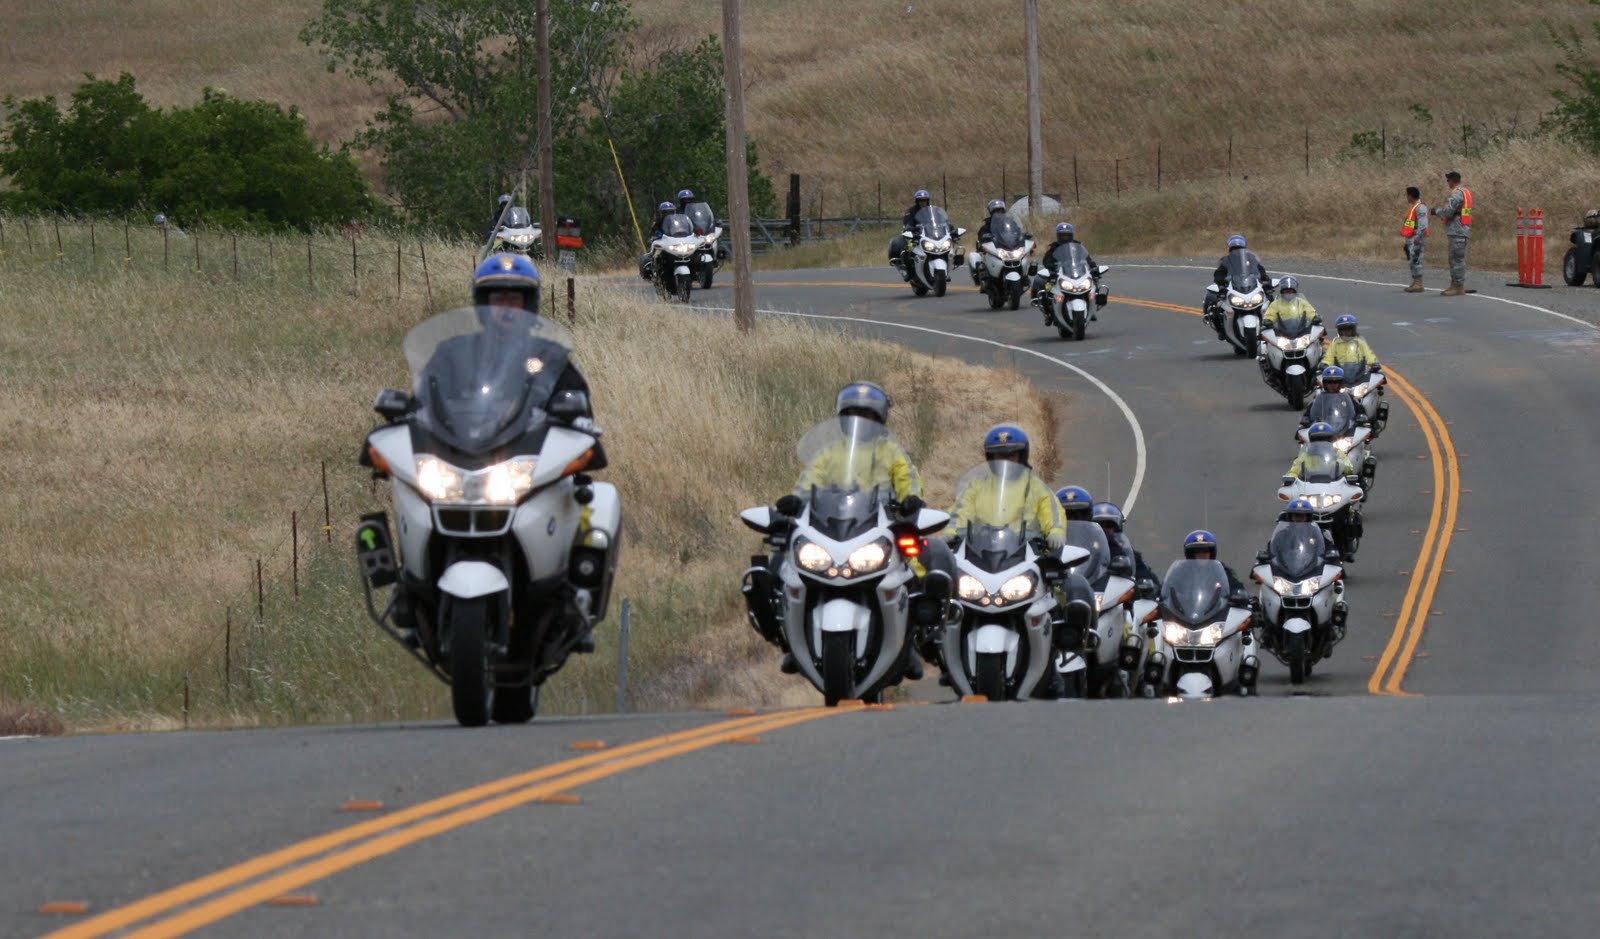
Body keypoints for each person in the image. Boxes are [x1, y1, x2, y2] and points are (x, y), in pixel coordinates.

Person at [755, 382, 940, 679]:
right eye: (853, 414)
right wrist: (793, 502)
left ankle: (908, 646)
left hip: (879, 527)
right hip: (832, 527)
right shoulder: (829, 453)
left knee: (916, 571)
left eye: (866, 416)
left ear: (879, 421)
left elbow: (908, 482)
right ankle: (790, 639)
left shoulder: (892, 452)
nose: (860, 422)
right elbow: (807, 483)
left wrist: (910, 501)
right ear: (842, 418)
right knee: (782, 564)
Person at [1203, 234, 1274, 337]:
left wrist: (1265, 279)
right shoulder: (1226, 261)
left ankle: (1274, 326)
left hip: (1250, 285)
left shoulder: (1251, 258)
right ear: (1230, 249)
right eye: (1234, 248)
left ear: (1244, 248)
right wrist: (1221, 284)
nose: (1236, 250)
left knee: (1271, 300)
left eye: (1239, 248)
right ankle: (1221, 330)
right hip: (1234, 287)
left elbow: (1260, 270)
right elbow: (1219, 274)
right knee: (1215, 302)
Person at [1031, 223, 1104, 321]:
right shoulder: (1054, 248)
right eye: (1062, 235)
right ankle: (1047, 312)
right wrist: (1051, 267)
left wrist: (1094, 268)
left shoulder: (1078, 246)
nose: (1065, 237)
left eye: (1067, 235)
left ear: (1071, 235)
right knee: (1044, 284)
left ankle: (1092, 308)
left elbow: (1087, 259)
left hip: (1076, 273)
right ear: (1058, 236)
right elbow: (1046, 261)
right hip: (1060, 274)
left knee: (1094, 281)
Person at [1092, 501, 1160, 592]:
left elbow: (1148, 580)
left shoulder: (1125, 553)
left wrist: (1150, 590)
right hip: (1086, 595)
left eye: (1109, 526)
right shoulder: (1082, 550)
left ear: (1116, 529)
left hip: (1116, 599)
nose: (1103, 530)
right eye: (1099, 525)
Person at [1180, 529, 1249, 602]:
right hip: (1186, 610)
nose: (1202, 555)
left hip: (1216, 610)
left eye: (1205, 551)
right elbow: (1170, 589)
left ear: (1211, 553)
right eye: (1197, 552)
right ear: (1191, 554)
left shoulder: (1221, 571)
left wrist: (1239, 594)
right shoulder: (1181, 572)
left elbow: (1236, 588)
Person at [1435, 170, 1473, 296]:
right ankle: (1455, 284)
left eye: (1448, 180)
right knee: (1456, 258)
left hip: (1457, 230)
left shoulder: (1456, 194)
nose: (1447, 183)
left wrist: (1436, 211)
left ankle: (1458, 286)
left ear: (1452, 181)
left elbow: (1448, 212)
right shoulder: (1465, 192)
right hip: (1461, 229)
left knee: (1456, 259)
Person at [1285, 422, 1355, 479]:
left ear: (1331, 441)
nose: (1321, 443)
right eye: (1317, 440)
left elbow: (1349, 469)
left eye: (1325, 440)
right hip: (1308, 488)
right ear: (1311, 441)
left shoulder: (1338, 454)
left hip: (1334, 488)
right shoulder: (1305, 456)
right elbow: (1293, 471)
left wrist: (1341, 464)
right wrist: (1289, 479)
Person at [888, 188, 933, 272]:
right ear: (917, 201)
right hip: (915, 235)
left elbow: (940, 221)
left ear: (928, 201)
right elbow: (907, 224)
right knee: (908, 247)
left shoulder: (932, 211)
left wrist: (947, 226)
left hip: (931, 234)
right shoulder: (911, 211)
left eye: (925, 200)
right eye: (920, 201)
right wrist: (911, 227)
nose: (923, 203)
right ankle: (907, 267)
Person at [640, 201, 679, 281]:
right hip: (663, 243)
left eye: (670, 212)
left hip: (675, 242)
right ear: (661, 213)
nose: (668, 214)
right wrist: (656, 236)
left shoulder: (677, 222)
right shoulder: (658, 222)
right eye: (665, 212)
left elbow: (682, 229)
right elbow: (653, 232)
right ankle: (655, 269)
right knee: (657, 254)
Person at [1402, 186, 1430, 293]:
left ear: (1410, 196)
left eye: (1407, 195)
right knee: (1412, 260)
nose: (1406, 197)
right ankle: (1415, 281)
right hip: (1411, 238)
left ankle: (1418, 283)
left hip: (1417, 238)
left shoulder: (1420, 207)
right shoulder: (1413, 206)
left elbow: (1423, 225)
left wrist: (1418, 237)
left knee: (1417, 260)